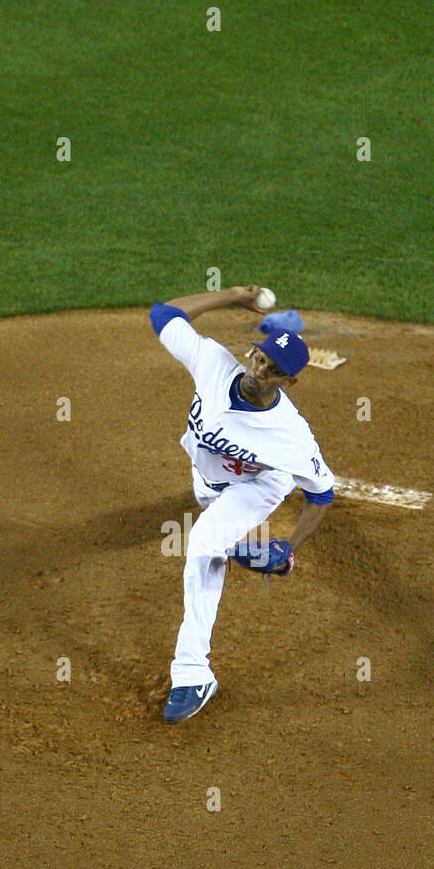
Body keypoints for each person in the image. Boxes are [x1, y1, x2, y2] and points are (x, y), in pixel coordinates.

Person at [150, 284, 335, 723]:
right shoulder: (214, 362)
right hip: (208, 478)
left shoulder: (290, 436)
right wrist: (232, 294)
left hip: (255, 487)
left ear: (289, 382)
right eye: (259, 357)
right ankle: (221, 532)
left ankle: (193, 674)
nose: (258, 370)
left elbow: (321, 494)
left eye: (272, 370)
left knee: (202, 546)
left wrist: (290, 549)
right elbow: (163, 315)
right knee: (211, 528)